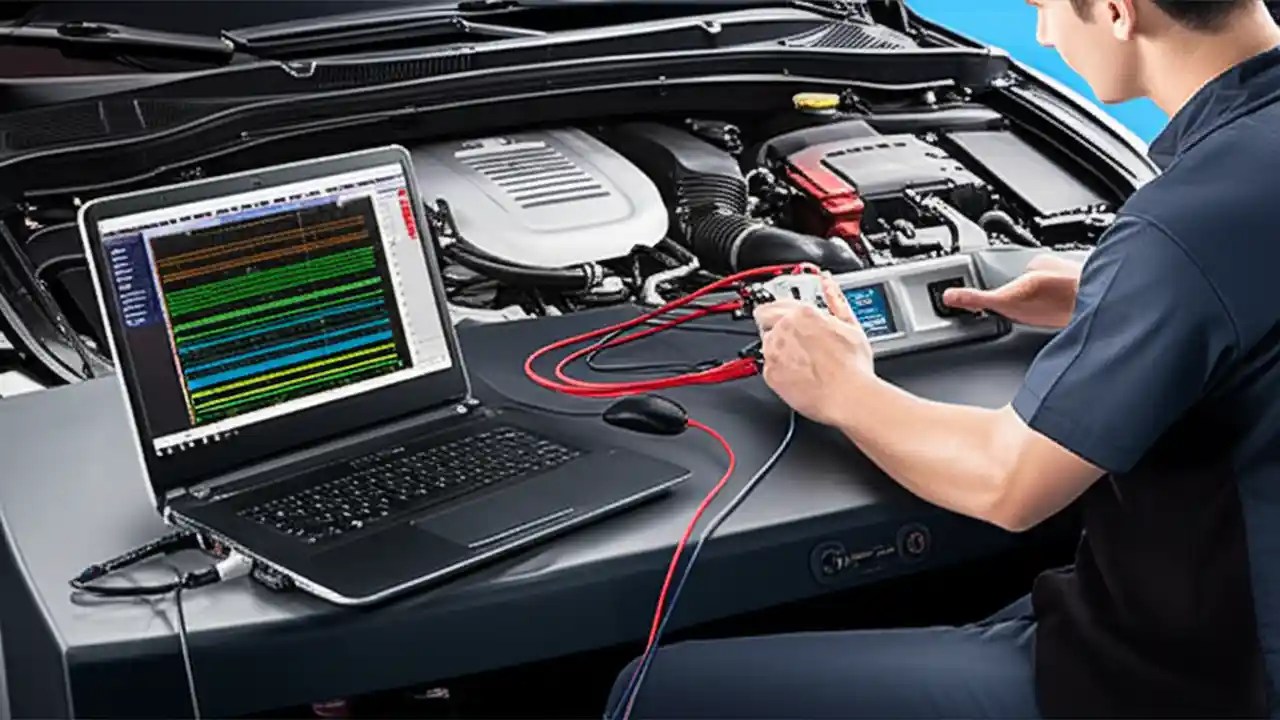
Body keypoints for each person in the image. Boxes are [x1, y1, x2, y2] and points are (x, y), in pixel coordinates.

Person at [604, 0, 1280, 717]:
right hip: (1202, 612)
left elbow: (1008, 483)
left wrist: (841, 389)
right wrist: (1116, 295)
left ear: (1117, 10)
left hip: (1186, 682)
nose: (1044, 34)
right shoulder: (1233, 185)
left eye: (1043, 7)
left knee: (652, 692)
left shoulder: (1185, 227)